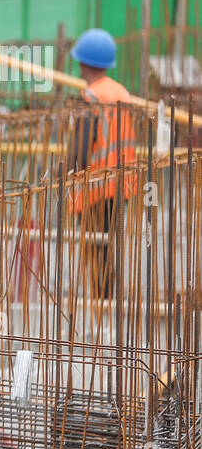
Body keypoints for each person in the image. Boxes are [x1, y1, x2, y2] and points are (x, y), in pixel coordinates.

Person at [66, 28, 138, 298]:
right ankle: (109, 303)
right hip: (122, 186)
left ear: (83, 63)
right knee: (108, 249)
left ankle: (103, 303)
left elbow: (80, 151)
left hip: (95, 189)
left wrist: (68, 175)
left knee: (96, 252)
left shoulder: (90, 97)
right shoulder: (122, 93)